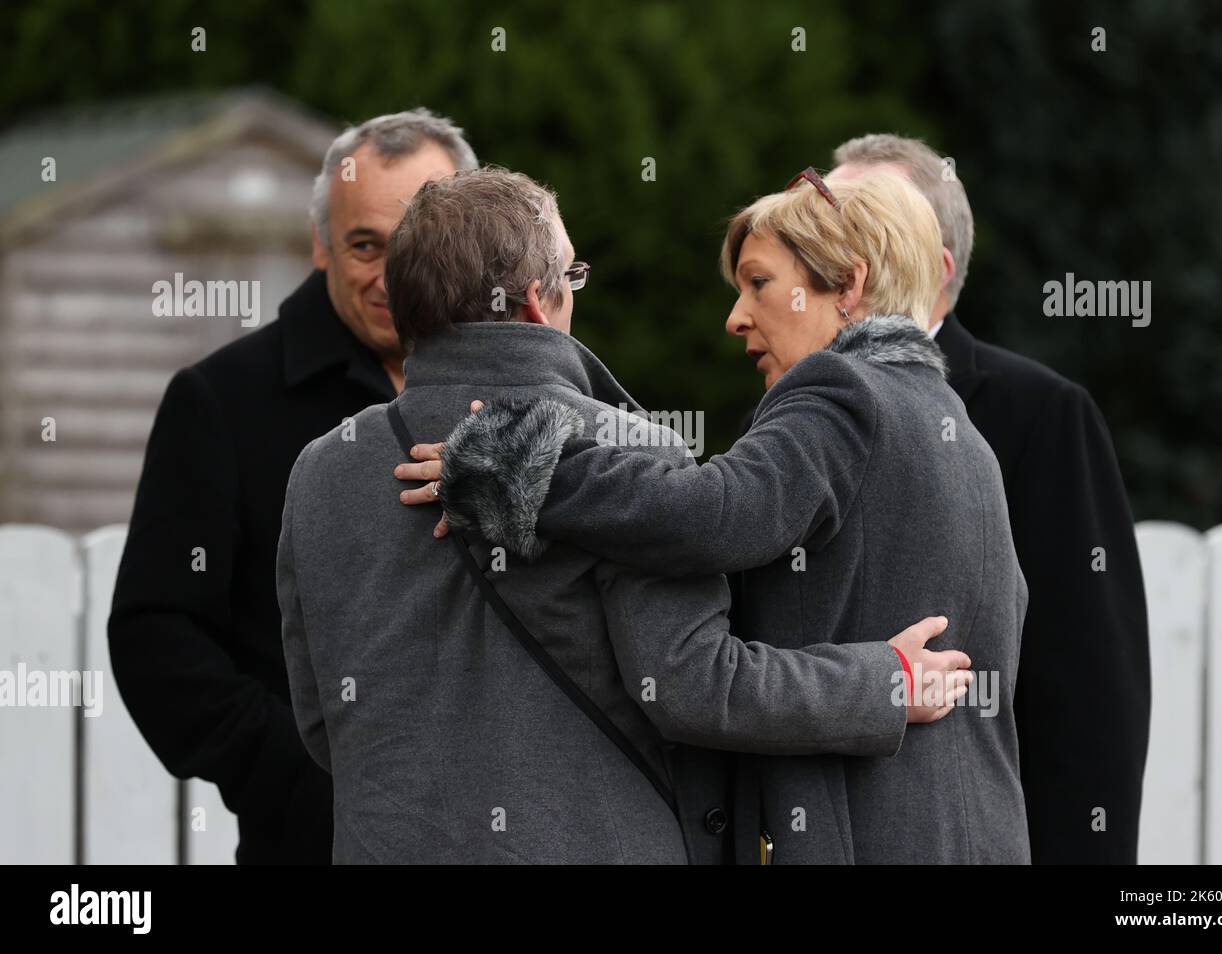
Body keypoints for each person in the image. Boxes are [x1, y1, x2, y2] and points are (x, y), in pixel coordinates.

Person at [278, 166, 973, 865]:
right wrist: (876, 683)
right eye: (572, 278)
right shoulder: (628, 449)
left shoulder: (320, 469)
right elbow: (694, 690)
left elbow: (319, 721)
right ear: (534, 303)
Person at [108, 109, 478, 864]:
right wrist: (300, 777)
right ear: (320, 244)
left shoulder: (521, 389)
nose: (391, 276)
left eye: (415, 245)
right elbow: (156, 639)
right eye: (365, 246)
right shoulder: (222, 401)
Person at [828, 134, 1151, 864]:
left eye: (853, 232)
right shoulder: (794, 406)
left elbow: (1088, 692)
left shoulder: (1037, 414)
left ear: (936, 269)